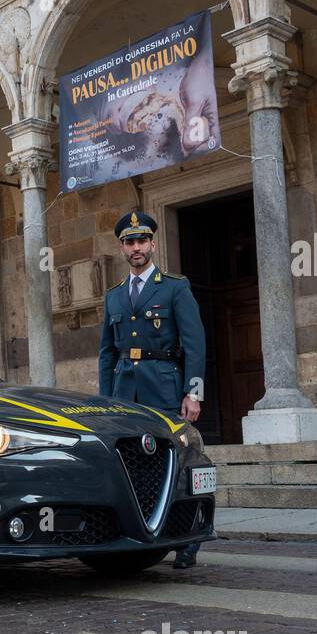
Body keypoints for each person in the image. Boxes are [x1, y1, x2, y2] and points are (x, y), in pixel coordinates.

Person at [97, 210, 207, 568]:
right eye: (129, 242)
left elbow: (195, 344)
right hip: (124, 393)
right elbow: (107, 353)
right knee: (135, 467)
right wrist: (105, 400)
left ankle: (189, 536)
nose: (136, 248)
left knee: (181, 461)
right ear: (122, 248)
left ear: (153, 244)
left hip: (163, 388)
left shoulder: (175, 287)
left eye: (142, 240)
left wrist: (194, 393)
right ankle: (143, 534)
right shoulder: (114, 296)